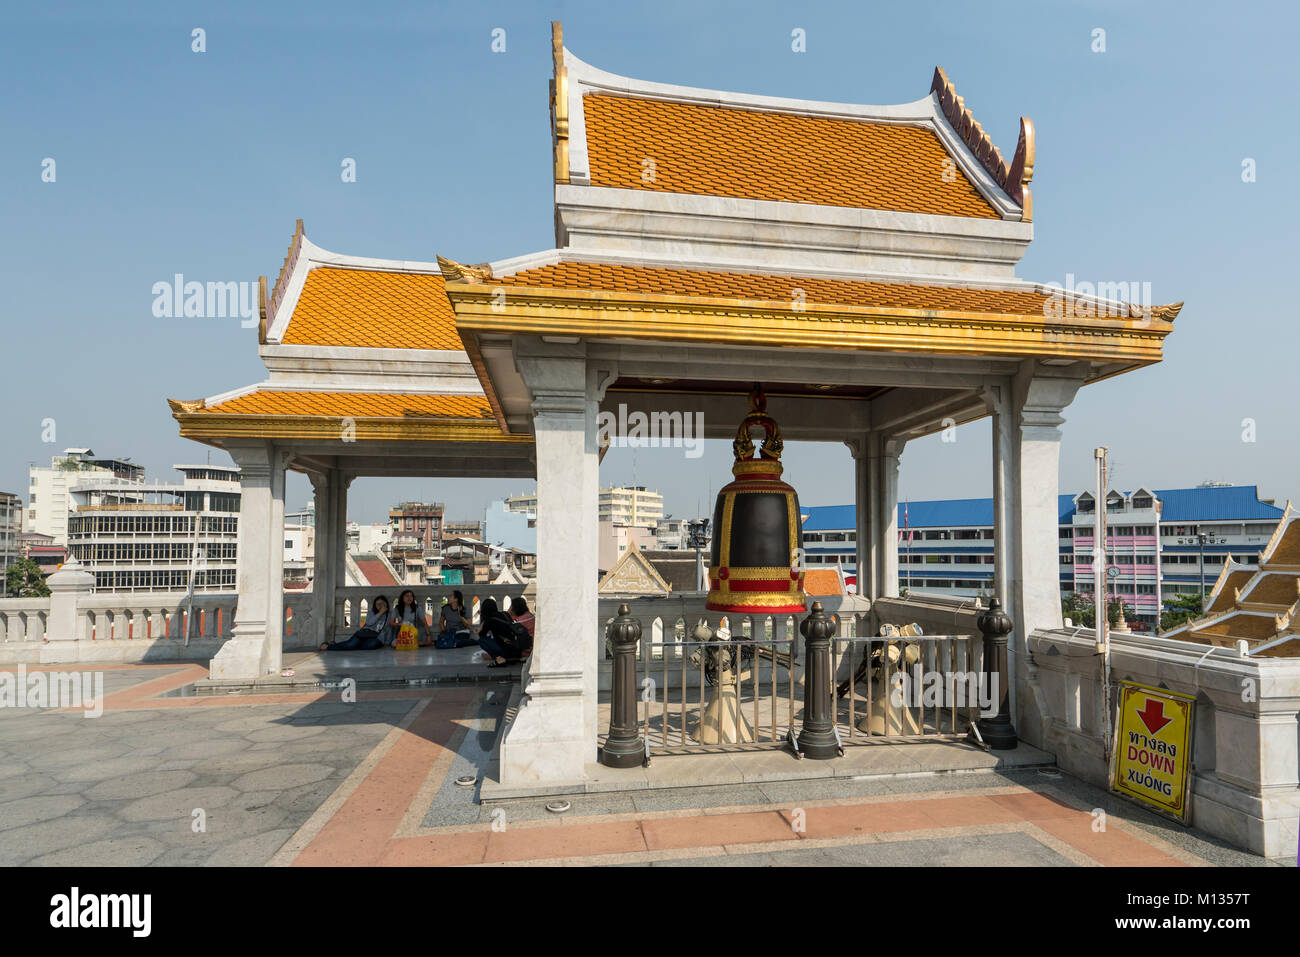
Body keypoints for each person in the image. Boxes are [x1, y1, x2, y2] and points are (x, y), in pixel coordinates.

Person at [319, 595, 393, 652]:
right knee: (350, 644)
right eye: (378, 604)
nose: (380, 606)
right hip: (363, 634)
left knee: (371, 645)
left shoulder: (389, 615)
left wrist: (387, 642)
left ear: (386, 604)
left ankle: (340, 645)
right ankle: (328, 646)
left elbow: (389, 628)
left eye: (382, 603)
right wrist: (380, 613)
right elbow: (369, 623)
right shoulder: (371, 613)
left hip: (377, 638)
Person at [476, 597, 528, 667]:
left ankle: (500, 658)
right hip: (517, 650)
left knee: (482, 640)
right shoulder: (505, 614)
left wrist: (484, 620)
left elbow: (481, 634)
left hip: (506, 650)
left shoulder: (490, 620)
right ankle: (511, 658)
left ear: (484, 610)